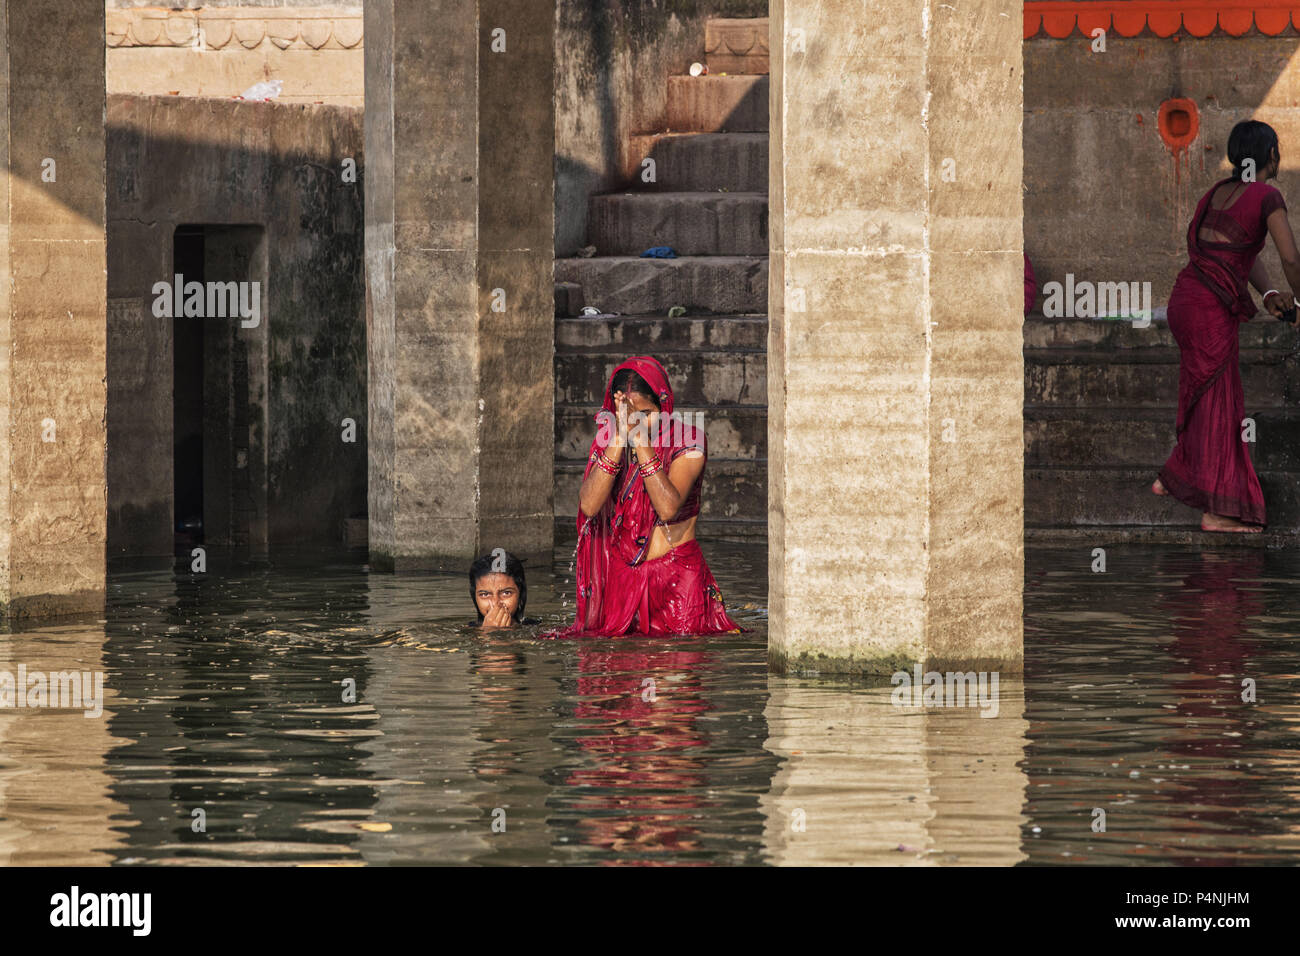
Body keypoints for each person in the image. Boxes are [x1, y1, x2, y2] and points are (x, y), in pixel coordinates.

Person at [1154, 120, 1300, 532]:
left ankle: (1172, 477)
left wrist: (1270, 294)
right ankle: (1216, 512)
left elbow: (1242, 249)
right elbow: (1290, 258)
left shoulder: (1217, 193)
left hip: (1185, 302)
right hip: (1208, 309)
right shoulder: (1267, 196)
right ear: (1271, 155)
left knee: (1205, 396)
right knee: (1220, 402)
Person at [561, 355, 741, 636]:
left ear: (664, 405)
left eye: (646, 414)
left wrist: (641, 442)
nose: (639, 423)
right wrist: (620, 438)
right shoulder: (609, 439)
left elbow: (668, 508)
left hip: (676, 582)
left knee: (675, 667)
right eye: (631, 416)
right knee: (620, 672)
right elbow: (590, 505)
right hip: (623, 582)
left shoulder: (688, 439)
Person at [469, 551, 536, 628]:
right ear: (475, 597)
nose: (495, 604)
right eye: (485, 594)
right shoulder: (466, 633)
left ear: (520, 594)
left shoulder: (539, 632)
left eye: (506, 593)